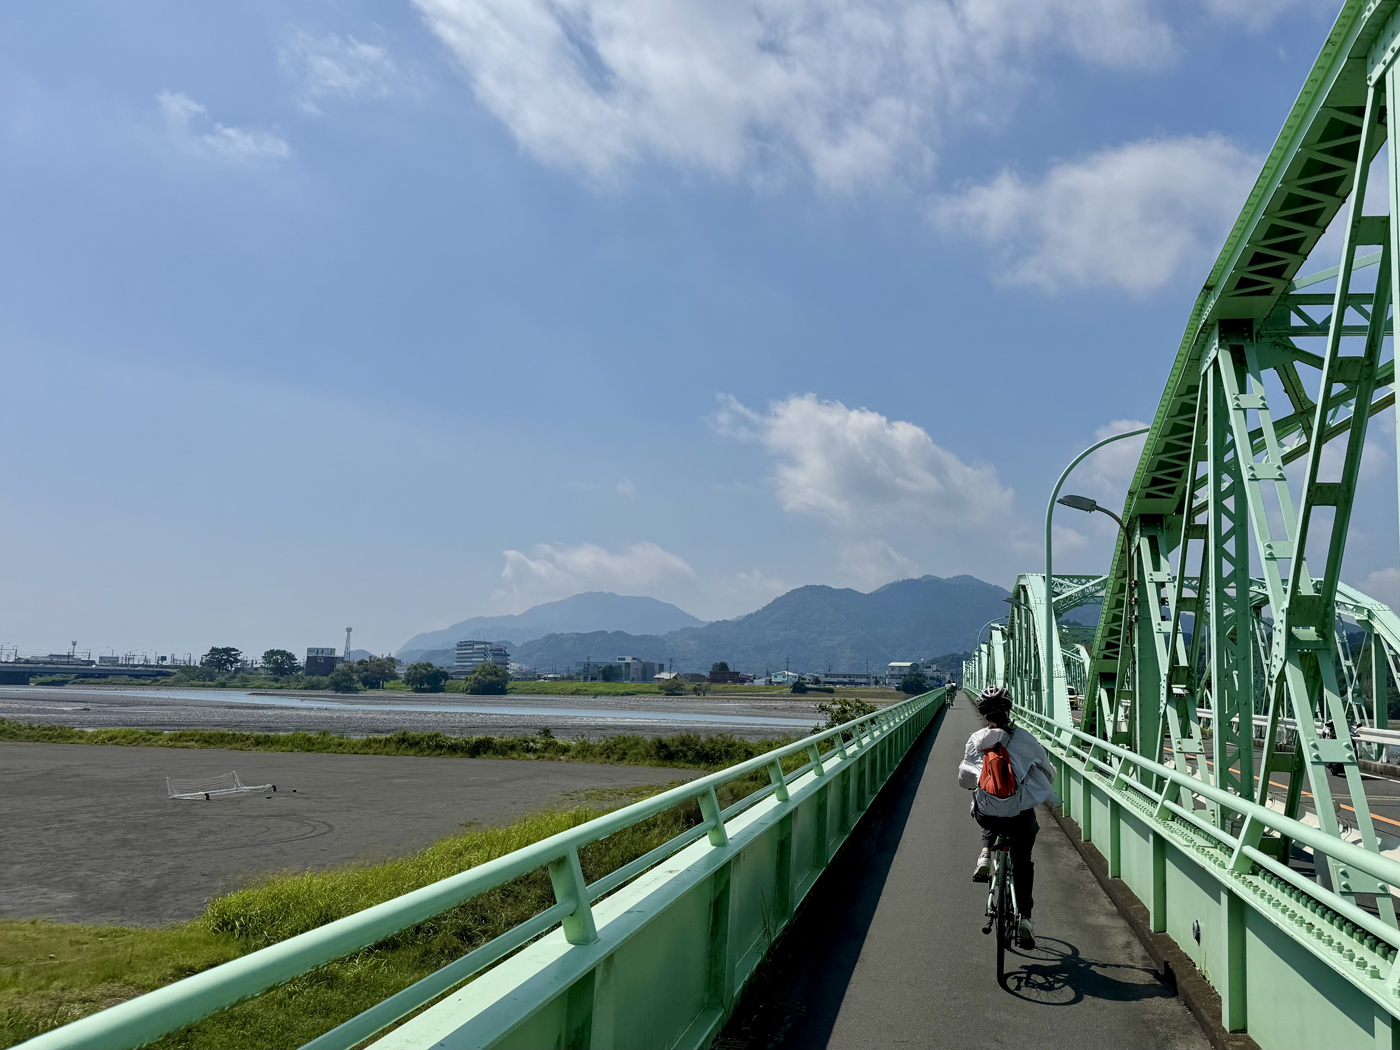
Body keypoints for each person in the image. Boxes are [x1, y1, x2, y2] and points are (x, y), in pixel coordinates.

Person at [958, 685, 1059, 949]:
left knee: (983, 804)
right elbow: (1047, 770)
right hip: (1017, 813)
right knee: (1022, 859)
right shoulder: (1025, 738)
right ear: (1008, 710)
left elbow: (966, 776)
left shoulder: (976, 738)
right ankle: (1025, 919)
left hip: (988, 814)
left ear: (983, 713)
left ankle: (984, 853)